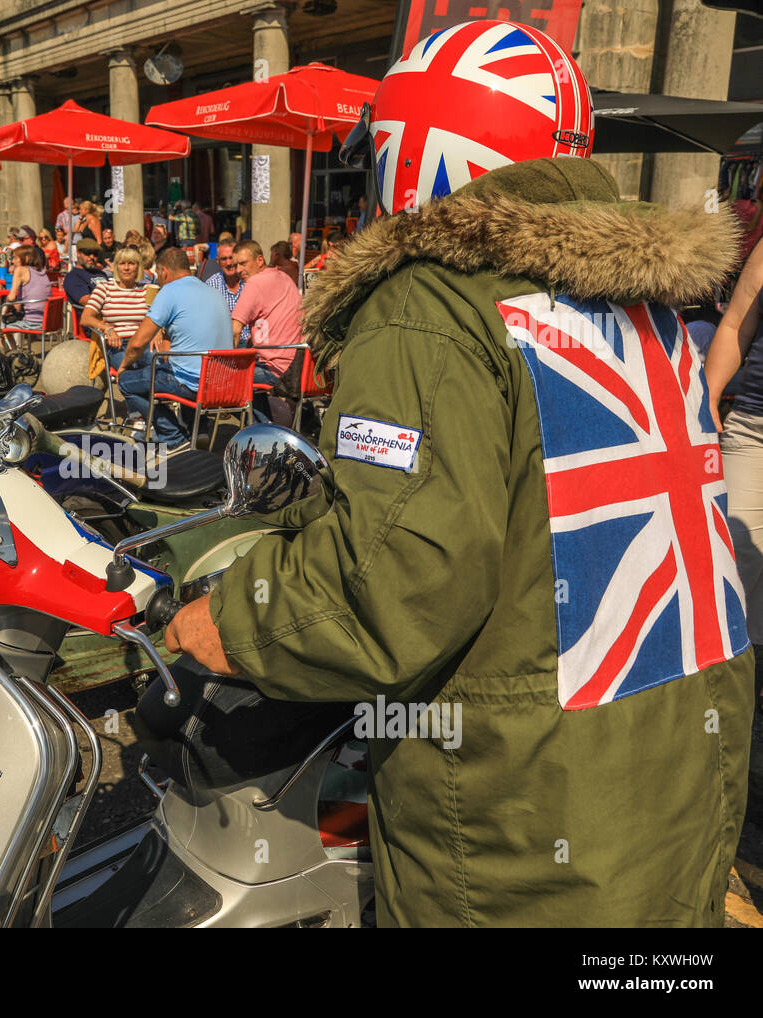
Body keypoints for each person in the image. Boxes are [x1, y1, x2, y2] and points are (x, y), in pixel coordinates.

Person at [163, 19, 753, 928]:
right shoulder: (645, 296)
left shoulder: (428, 303)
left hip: (520, 830)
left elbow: (391, 584)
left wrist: (229, 615)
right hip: (668, 778)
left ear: (412, 149)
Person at [706, 233, 763, 698]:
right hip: (753, 429)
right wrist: (706, 395)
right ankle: (728, 690)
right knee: (731, 560)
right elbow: (735, 327)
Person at [115, 246, 232, 449]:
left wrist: (123, 366)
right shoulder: (212, 291)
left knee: (126, 382)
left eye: (159, 275)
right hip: (222, 383)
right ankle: (199, 430)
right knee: (183, 366)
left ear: (163, 271)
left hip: (191, 382)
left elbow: (137, 343)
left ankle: (173, 438)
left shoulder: (170, 290)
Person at [230, 239, 301, 425]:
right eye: (235, 265)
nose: (238, 270)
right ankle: (268, 425)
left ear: (260, 260)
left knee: (224, 383)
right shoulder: (283, 277)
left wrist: (226, 365)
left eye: (243, 263)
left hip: (277, 368)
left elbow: (235, 331)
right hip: (299, 364)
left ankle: (265, 430)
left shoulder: (255, 283)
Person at [81, 245, 149, 367]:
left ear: (138, 267)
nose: (126, 268)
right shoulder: (105, 288)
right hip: (118, 344)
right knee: (131, 366)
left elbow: (159, 318)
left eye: (131, 263)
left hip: (143, 342)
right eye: (122, 263)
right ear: (116, 267)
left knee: (158, 364)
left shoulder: (146, 289)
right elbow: (85, 318)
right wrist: (107, 328)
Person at [205, 238, 245, 341]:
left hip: (249, 344)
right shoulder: (211, 285)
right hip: (223, 344)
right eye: (224, 259)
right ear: (218, 261)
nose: (228, 263)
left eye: (231, 258)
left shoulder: (249, 282)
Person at [3, 244, 50, 329]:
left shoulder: (21, 270)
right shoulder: (43, 272)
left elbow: (11, 298)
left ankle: (11, 343)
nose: (13, 261)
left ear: (26, 258)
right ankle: (13, 343)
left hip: (31, 322)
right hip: (47, 321)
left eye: (15, 258)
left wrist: (3, 300)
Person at [62, 238, 106, 308]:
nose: (92, 257)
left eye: (95, 254)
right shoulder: (73, 276)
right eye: (87, 253)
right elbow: (87, 301)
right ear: (78, 253)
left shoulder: (101, 273)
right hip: (93, 316)